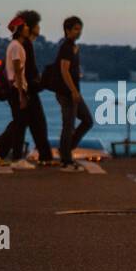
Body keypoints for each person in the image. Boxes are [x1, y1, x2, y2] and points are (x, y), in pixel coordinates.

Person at [0, 11, 40, 170]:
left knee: (20, 122)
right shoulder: (16, 46)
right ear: (19, 29)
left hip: (17, 89)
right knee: (20, 123)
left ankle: (0, 147)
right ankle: (12, 155)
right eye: (25, 27)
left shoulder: (16, 46)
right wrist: (22, 95)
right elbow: (17, 71)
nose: (27, 29)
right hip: (16, 89)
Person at [53, 16, 94, 171]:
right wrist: (73, 91)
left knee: (87, 121)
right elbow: (64, 70)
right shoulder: (66, 47)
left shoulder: (72, 47)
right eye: (76, 29)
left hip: (72, 92)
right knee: (68, 125)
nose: (79, 32)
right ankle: (66, 161)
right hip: (67, 92)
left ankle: (65, 151)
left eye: (80, 29)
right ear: (67, 30)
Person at [19, 12, 56, 166]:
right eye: (37, 24)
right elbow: (25, 70)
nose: (39, 27)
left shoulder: (26, 44)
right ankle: (45, 157)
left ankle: (45, 156)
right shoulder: (26, 44)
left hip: (27, 88)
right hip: (28, 89)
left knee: (31, 124)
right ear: (30, 26)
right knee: (36, 123)